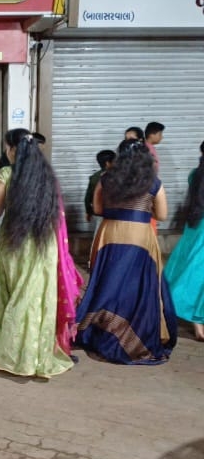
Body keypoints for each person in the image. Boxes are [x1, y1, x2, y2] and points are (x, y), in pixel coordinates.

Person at [76, 139, 177, 364]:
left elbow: (98, 209)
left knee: (107, 282)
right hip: (140, 235)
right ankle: (134, 337)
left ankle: (101, 328)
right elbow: (161, 215)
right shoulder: (153, 182)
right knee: (138, 285)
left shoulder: (106, 179)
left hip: (110, 233)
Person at [0, 129, 74, 378]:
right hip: (44, 243)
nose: (6, 151)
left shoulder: (6, 174)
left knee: (13, 293)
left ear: (14, 149)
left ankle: (13, 353)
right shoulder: (47, 176)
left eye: (7, 147)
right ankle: (36, 353)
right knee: (36, 297)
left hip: (14, 241)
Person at [165, 141, 204, 340]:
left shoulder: (194, 175)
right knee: (198, 272)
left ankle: (196, 323)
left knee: (189, 269)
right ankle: (198, 319)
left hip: (195, 225)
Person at [84, 150, 116, 243]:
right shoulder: (116, 176)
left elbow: (88, 196)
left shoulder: (94, 177)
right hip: (112, 213)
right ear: (108, 163)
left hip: (99, 213)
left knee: (98, 236)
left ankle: (95, 255)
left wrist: (88, 211)